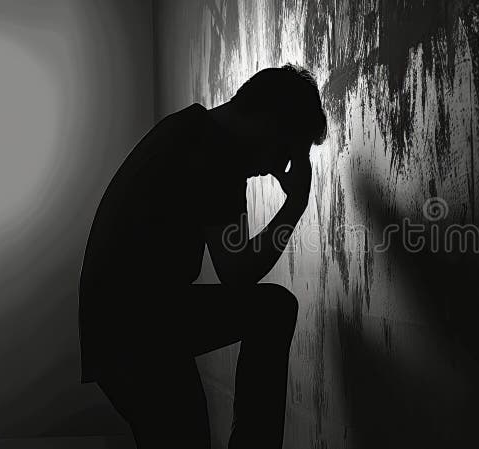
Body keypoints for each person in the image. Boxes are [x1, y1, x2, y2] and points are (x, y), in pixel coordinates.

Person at [78, 64, 326, 449]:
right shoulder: (215, 154)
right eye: (284, 148)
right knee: (272, 311)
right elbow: (238, 273)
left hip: (129, 321)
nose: (279, 167)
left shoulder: (195, 131)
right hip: (135, 326)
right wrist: (294, 205)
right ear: (265, 120)